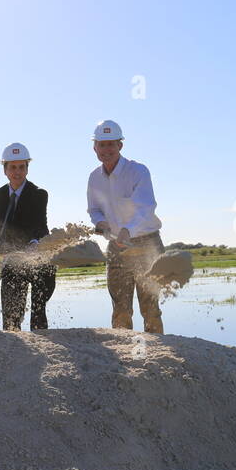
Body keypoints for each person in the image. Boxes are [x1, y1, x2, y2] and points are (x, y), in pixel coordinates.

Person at [86, 119, 166, 334]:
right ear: (95, 148)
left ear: (120, 145)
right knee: (120, 309)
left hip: (146, 243)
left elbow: (145, 207)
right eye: (102, 145)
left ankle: (158, 358)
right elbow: (94, 210)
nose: (106, 150)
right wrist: (100, 223)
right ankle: (124, 357)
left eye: (111, 144)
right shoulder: (94, 178)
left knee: (150, 308)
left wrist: (127, 230)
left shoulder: (138, 172)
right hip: (115, 245)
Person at [0, 142, 52, 332]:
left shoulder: (39, 194)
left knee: (38, 312)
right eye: (12, 167)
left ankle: (42, 339)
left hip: (37, 258)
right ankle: (12, 337)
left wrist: (34, 244)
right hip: (12, 258)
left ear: (27, 168)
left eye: (21, 167)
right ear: (5, 170)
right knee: (10, 316)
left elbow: (41, 227)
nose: (17, 172)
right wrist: (4, 247)